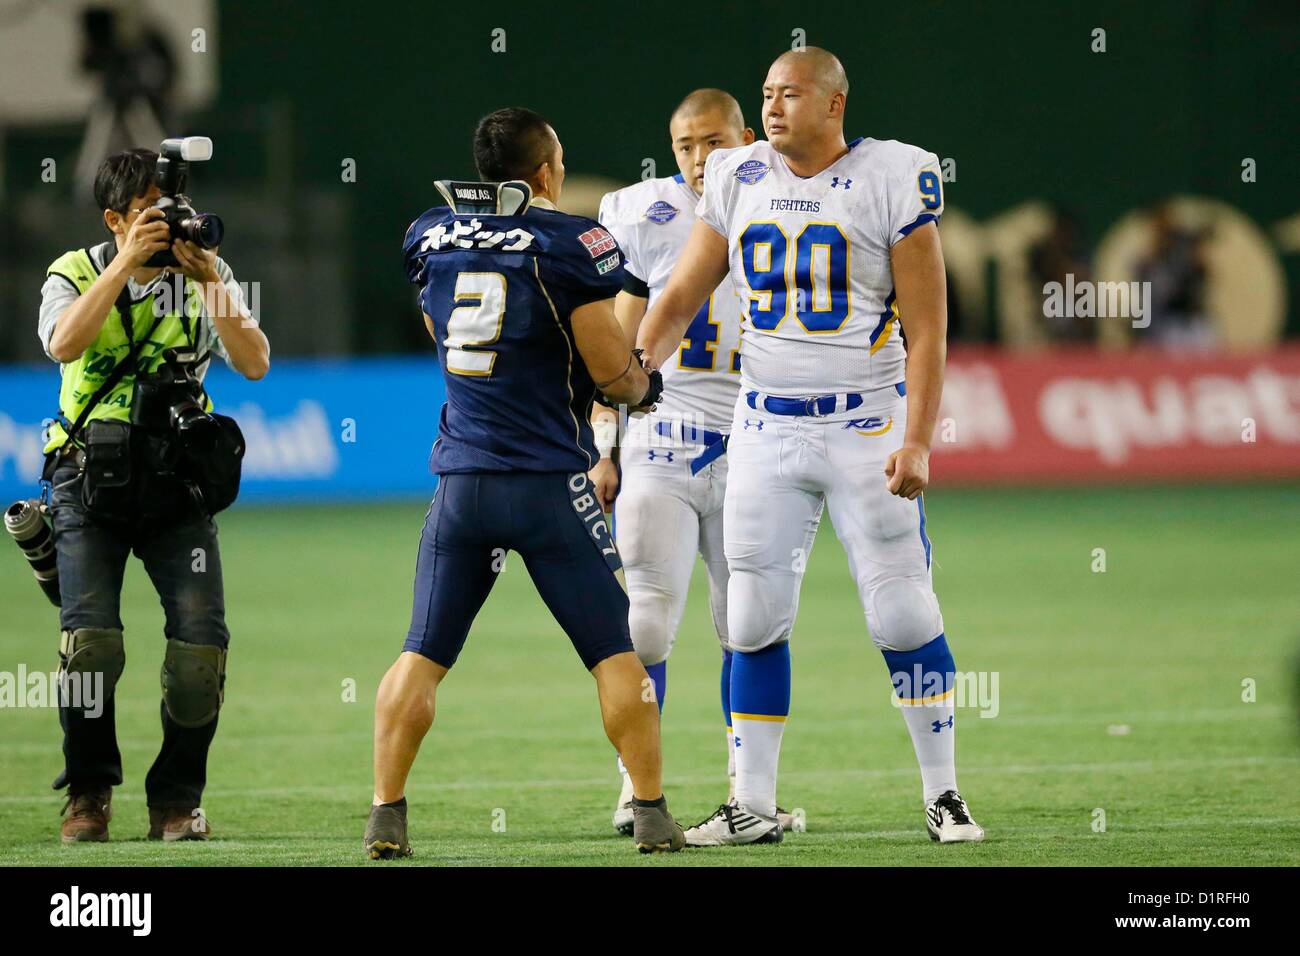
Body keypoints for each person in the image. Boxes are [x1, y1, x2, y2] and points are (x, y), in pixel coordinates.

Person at [636, 49, 985, 845]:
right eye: (765, 94)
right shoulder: (736, 176)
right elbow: (682, 294)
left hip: (866, 419)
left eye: (789, 94)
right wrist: (632, 374)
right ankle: (753, 804)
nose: (772, 108)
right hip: (764, 423)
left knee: (901, 609)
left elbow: (928, 329)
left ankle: (946, 794)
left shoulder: (892, 175)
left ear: (835, 104)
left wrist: (919, 438)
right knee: (753, 615)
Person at [365, 107, 684, 859]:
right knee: (616, 655)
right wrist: (643, 386)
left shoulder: (429, 235)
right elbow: (611, 373)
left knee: (421, 651)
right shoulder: (573, 244)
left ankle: (385, 813)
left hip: (462, 483)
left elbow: (442, 335)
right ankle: (650, 812)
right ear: (546, 171)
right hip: (548, 485)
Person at [39, 146, 269, 843]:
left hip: (177, 485)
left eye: (173, 213)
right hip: (87, 482)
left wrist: (208, 282)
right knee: (90, 647)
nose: (167, 227)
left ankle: (176, 799)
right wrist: (123, 264)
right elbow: (63, 344)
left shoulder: (205, 269)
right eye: (147, 216)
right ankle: (87, 792)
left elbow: (254, 362)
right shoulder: (73, 272)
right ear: (113, 218)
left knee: (200, 653)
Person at [594, 89, 796, 835]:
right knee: (645, 624)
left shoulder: (790, 198)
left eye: (714, 141)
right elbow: (614, 342)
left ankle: (749, 794)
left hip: (756, 441)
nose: (700, 158)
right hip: (663, 437)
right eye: (685, 145)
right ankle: (634, 788)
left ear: (747, 136)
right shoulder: (640, 213)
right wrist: (605, 442)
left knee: (746, 622)